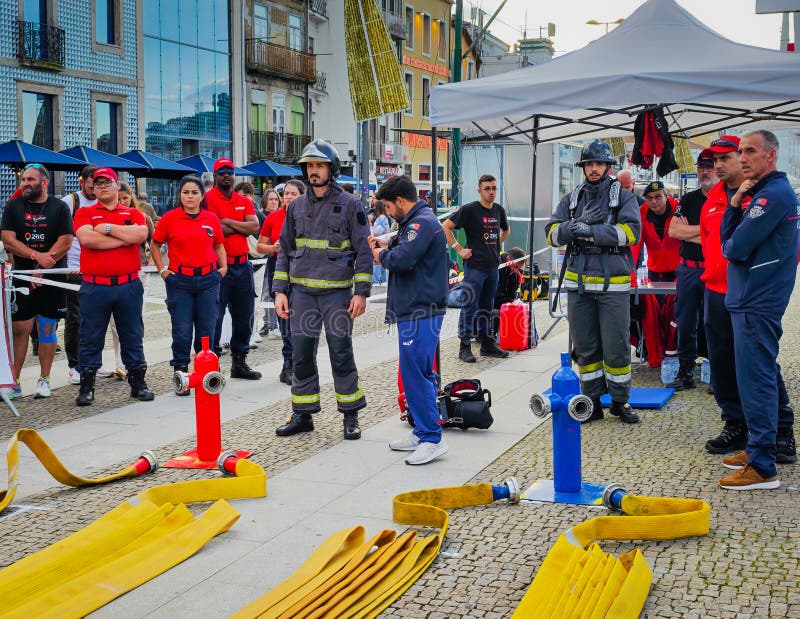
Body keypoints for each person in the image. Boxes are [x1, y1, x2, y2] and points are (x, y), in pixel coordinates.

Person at [699, 135, 793, 458]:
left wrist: (735, 212)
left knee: (759, 370)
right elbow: (712, 241)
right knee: (728, 366)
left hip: (753, 295)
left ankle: (771, 444)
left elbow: (733, 246)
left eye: (740, 153)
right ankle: (740, 429)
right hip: (721, 291)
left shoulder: (767, 196)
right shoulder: (712, 199)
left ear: (771, 156)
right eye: (726, 157)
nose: (733, 161)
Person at [273, 139, 373, 440]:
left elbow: (364, 252)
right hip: (302, 294)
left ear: (332, 168)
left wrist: (361, 292)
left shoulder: (351, 205)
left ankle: (350, 415)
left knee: (341, 353)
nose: (314, 171)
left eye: (319, 165)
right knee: (301, 355)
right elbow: (284, 250)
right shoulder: (296, 207)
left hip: (337, 295)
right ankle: (303, 415)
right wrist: (280, 290)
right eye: (310, 166)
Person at [545, 139, 642, 424]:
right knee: (586, 348)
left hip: (613, 285)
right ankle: (593, 400)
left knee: (616, 346)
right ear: (584, 167)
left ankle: (621, 402)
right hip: (579, 286)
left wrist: (592, 231)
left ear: (608, 167)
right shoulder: (572, 198)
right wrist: (570, 228)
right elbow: (550, 233)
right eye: (590, 164)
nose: (594, 169)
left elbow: (631, 233)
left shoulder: (623, 196)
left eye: (599, 164)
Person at [371, 175, 449, 465]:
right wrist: (388, 243)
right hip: (415, 307)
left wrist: (381, 254)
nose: (388, 212)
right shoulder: (415, 221)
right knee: (416, 372)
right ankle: (421, 430)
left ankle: (431, 437)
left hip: (421, 309)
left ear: (401, 201)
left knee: (417, 373)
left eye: (389, 207)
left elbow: (403, 259)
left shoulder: (421, 223)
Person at [73, 167, 154, 406]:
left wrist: (107, 229)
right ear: (92, 188)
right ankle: (87, 387)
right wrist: (123, 238)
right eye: (97, 184)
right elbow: (87, 239)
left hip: (128, 285)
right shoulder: (84, 212)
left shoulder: (133, 213)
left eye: (107, 182)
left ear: (117, 185)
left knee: (132, 334)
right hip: (95, 286)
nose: (102, 186)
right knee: (90, 336)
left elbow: (141, 234)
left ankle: (138, 384)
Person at [0, 164, 73, 399]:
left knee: (47, 328)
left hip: (51, 275)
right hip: (21, 276)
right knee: (20, 328)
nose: (24, 184)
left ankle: (45, 378)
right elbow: (8, 240)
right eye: (23, 180)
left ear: (44, 182)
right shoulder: (13, 205)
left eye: (30, 180)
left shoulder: (59, 207)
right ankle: (15, 381)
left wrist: (43, 265)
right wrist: (34, 256)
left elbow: (65, 241)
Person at [151, 175, 227, 389]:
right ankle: (181, 374)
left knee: (207, 329)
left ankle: (207, 373)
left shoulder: (211, 219)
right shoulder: (169, 218)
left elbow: (219, 244)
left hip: (209, 280)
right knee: (182, 329)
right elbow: (155, 245)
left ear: (202, 195)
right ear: (180, 195)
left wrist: (223, 268)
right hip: (180, 281)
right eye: (186, 192)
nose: (190, 196)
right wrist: (162, 270)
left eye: (195, 192)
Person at [443, 174, 510, 363]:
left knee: (487, 306)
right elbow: (446, 226)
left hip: (492, 267)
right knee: (469, 305)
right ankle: (464, 346)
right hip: (475, 267)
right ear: (479, 190)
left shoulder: (498, 210)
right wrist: (459, 249)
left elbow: (506, 230)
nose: (491, 192)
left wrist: (496, 246)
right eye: (487, 188)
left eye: (494, 188)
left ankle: (486, 343)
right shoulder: (470, 210)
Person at [206, 157, 262, 380]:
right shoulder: (207, 199)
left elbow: (254, 226)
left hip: (242, 265)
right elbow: (214, 231)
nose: (226, 175)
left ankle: (239, 362)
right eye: (222, 172)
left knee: (244, 316)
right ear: (215, 175)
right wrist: (238, 226)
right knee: (215, 318)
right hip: (219, 268)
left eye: (229, 171)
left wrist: (227, 221)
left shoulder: (243, 200)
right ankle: (213, 363)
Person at [666, 152, 717, 391]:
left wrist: (695, 232)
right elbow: (674, 231)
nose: (704, 172)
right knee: (685, 322)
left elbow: (724, 235)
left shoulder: (725, 198)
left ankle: (718, 374)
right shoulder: (687, 199)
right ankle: (686, 372)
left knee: (714, 323)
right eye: (701, 168)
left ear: (717, 169)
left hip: (714, 269)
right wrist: (709, 233)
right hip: (688, 269)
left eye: (708, 167)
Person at [257, 180, 304, 385]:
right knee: (285, 319)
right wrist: (273, 249)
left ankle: (302, 364)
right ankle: (288, 365)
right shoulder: (274, 218)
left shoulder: (309, 216)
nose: (288, 197)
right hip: (279, 269)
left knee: (302, 321)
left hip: (304, 272)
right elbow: (260, 246)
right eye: (286, 194)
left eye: (293, 194)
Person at [62, 164, 98, 385]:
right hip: (74, 267)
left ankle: (91, 361)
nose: (96, 189)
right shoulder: (70, 202)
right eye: (93, 184)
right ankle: (75, 364)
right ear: (81, 181)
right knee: (75, 318)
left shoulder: (103, 203)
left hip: (96, 269)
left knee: (94, 318)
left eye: (101, 184)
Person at [636, 181, 680, 282]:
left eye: (658, 197)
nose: (654, 201)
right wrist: (631, 271)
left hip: (679, 270)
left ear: (666, 195)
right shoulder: (642, 213)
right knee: (654, 297)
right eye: (649, 198)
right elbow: (636, 245)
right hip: (654, 270)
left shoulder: (678, 209)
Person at [258, 188, 281, 338]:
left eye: (275, 199)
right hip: (263, 260)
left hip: (275, 260)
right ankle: (270, 324)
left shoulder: (282, 216)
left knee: (271, 293)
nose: (273, 202)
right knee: (266, 294)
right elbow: (260, 242)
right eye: (270, 199)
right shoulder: (262, 216)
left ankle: (271, 324)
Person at [370, 200, 391, 284]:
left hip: (378, 241)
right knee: (381, 261)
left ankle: (376, 280)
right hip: (384, 240)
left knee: (377, 261)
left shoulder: (380, 218)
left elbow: (378, 231)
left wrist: (372, 229)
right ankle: (383, 279)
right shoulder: (385, 217)